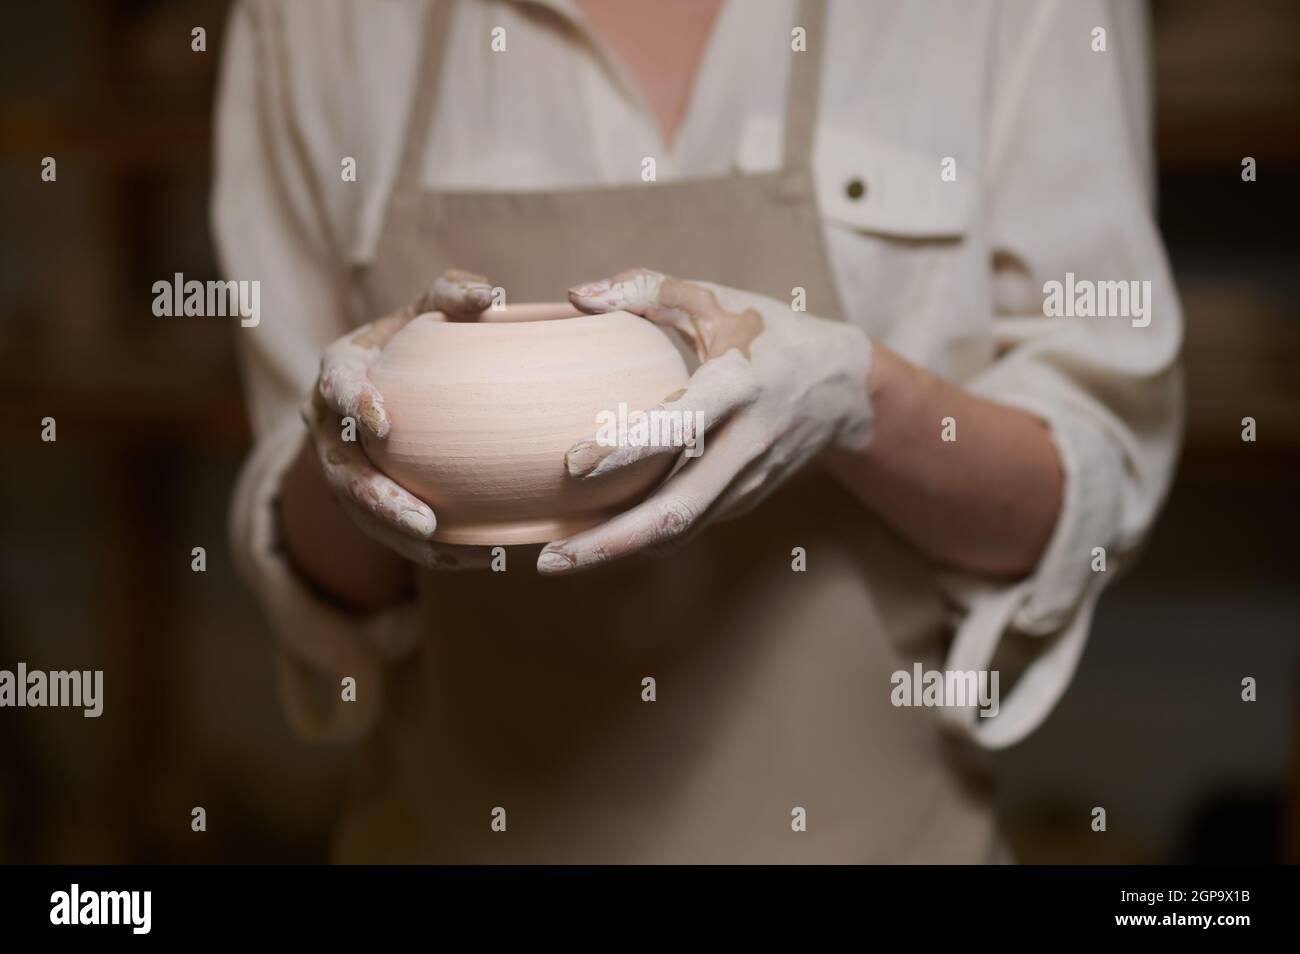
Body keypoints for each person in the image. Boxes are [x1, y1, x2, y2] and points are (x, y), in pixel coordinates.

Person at [214, 0, 1182, 862]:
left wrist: (863, 399)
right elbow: (319, 590)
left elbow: (1087, 499)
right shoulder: (315, 18)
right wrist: (354, 452)